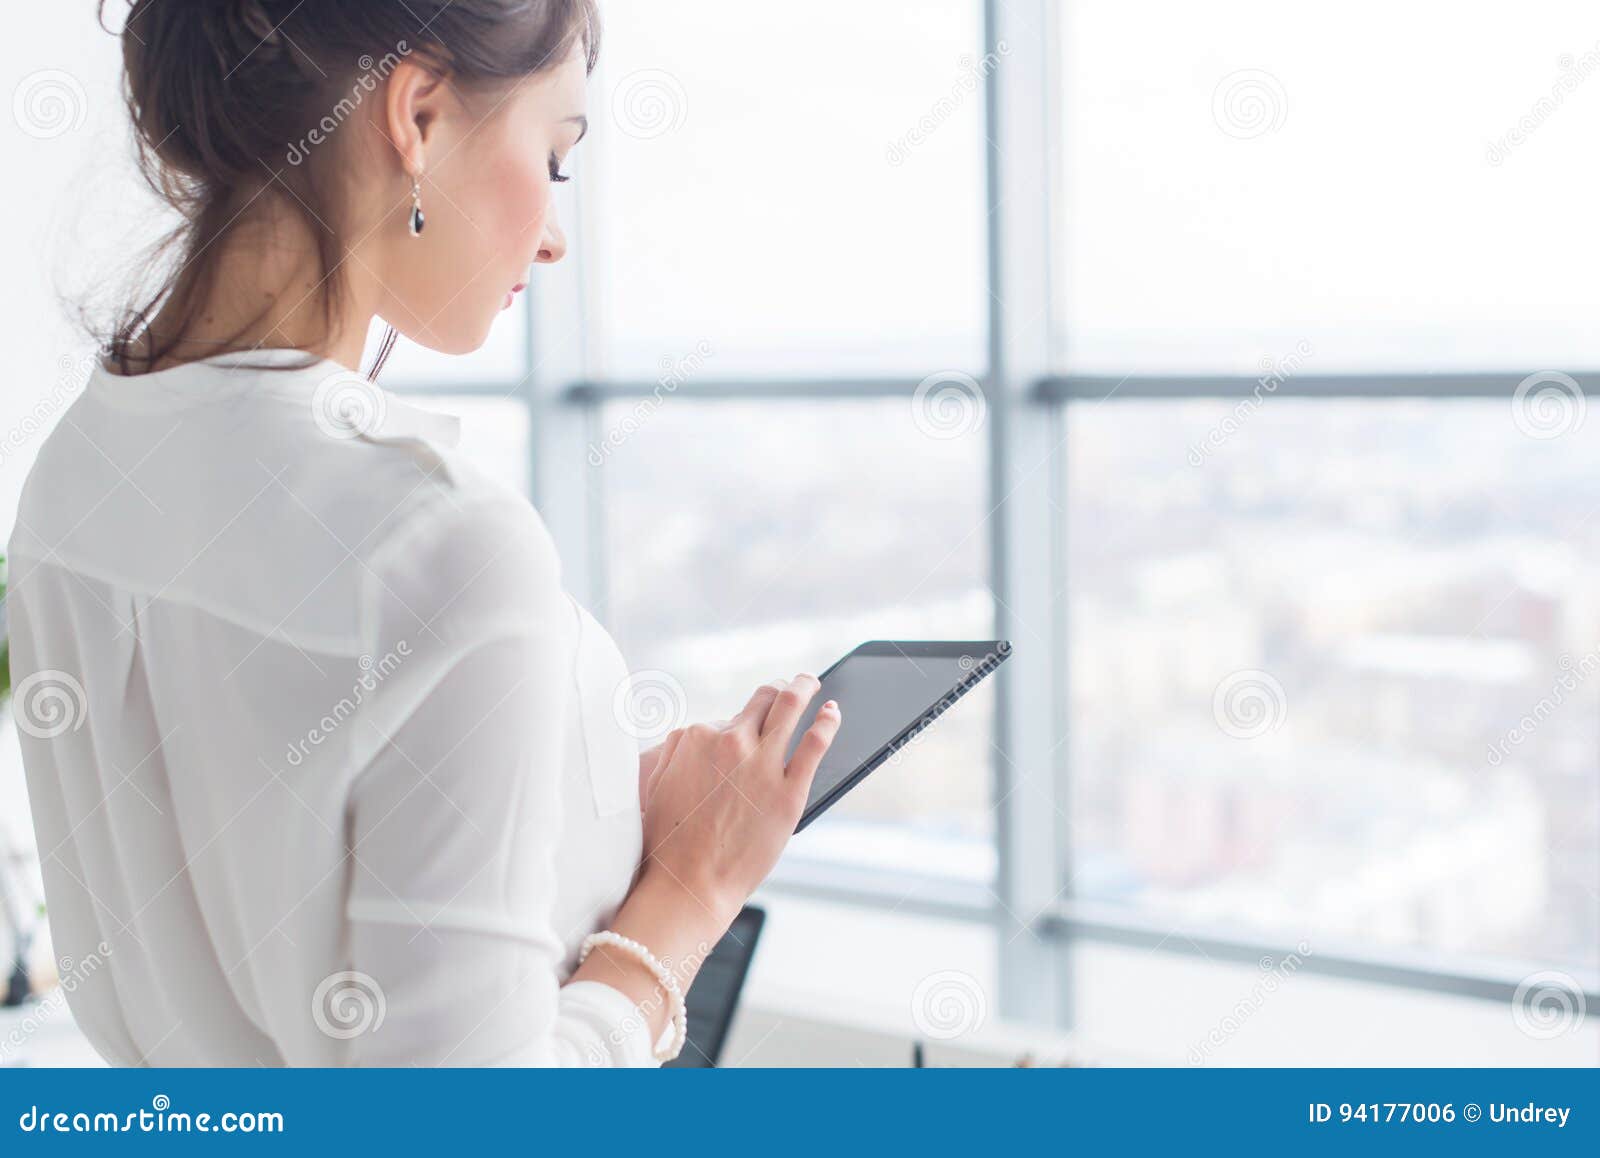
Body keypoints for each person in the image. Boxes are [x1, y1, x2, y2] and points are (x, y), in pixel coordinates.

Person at [5, 0, 839, 1066]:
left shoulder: (77, 470)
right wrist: (687, 895)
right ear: (418, 113)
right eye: (555, 155)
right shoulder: (438, 546)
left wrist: (572, 804)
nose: (552, 234)